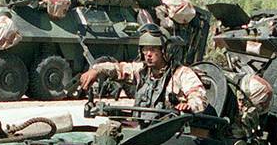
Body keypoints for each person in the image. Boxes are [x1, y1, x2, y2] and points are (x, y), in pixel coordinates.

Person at [75, 30, 207, 113]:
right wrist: (96, 70)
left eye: (153, 49)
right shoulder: (142, 71)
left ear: (165, 51)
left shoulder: (181, 73)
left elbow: (199, 97)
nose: (148, 54)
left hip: (172, 132)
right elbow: (118, 68)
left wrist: (188, 106)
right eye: (145, 49)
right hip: (143, 128)